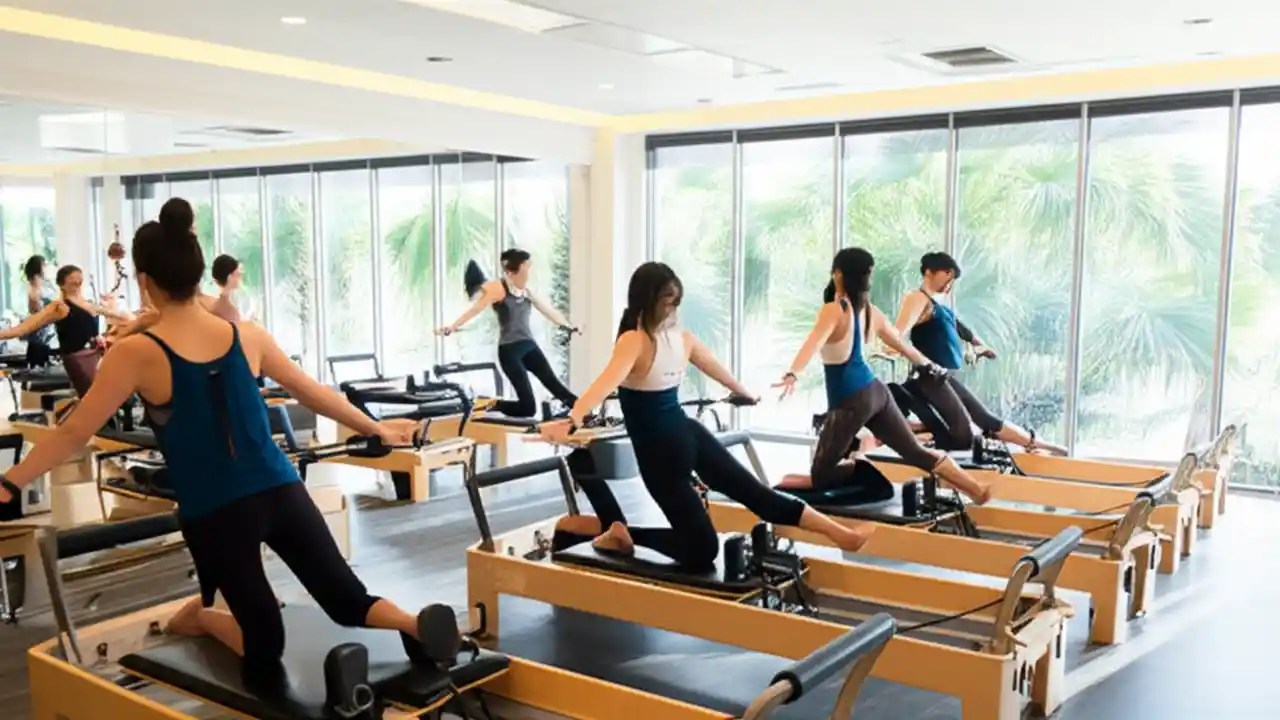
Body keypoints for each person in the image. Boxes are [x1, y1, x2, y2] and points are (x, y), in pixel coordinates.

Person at [0, 210, 460, 683]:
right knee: (309, 619)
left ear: (143, 280)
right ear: (198, 274)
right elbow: (313, 391)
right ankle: (401, 623)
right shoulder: (242, 337)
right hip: (249, 499)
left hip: (246, 501)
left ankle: (409, 624)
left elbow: (74, 433)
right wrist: (376, 427)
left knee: (305, 620)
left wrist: (11, 481)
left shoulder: (137, 353)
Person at [539, 262, 873, 570]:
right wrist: (573, 419)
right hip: (670, 450)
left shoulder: (675, 339)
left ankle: (843, 535)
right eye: (667, 301)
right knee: (702, 547)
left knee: (755, 500)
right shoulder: (635, 341)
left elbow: (713, 367)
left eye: (676, 301)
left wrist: (745, 392)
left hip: (676, 444)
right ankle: (619, 531)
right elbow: (604, 382)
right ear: (646, 300)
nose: (673, 309)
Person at [774, 248, 992, 503]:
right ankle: (976, 490)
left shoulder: (834, 309)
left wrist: (793, 373)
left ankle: (863, 465)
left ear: (838, 274)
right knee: (915, 451)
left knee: (821, 475)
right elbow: (902, 345)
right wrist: (930, 366)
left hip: (850, 399)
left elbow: (813, 342)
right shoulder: (870, 312)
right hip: (877, 392)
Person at [894, 252, 1067, 455]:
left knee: (983, 419)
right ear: (929, 272)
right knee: (969, 429)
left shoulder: (939, 308)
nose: (949, 282)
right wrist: (892, 346)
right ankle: (916, 432)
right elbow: (898, 332)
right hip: (930, 378)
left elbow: (961, 329)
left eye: (953, 279)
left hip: (946, 376)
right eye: (947, 274)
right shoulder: (917, 299)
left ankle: (1033, 444)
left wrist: (979, 345)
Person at [438, 249, 578, 418]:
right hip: (510, 351)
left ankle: (585, 413)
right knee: (528, 409)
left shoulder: (526, 292)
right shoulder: (499, 289)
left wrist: (568, 326)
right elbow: (476, 309)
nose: (529, 272)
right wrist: (452, 327)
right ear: (513, 271)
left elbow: (548, 311)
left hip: (528, 345)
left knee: (557, 387)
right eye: (526, 267)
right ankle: (490, 404)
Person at [0, 264, 135, 396]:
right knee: (95, 396)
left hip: (93, 356)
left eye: (79, 281)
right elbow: (27, 326)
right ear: (62, 285)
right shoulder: (60, 307)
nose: (77, 284)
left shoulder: (88, 304)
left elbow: (119, 315)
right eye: (73, 282)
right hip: (78, 359)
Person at [20, 255, 55, 366]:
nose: (47, 268)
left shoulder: (44, 285)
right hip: (38, 335)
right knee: (37, 369)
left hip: (44, 335)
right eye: (44, 265)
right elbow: (34, 309)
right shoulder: (34, 287)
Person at [200, 253, 248, 323]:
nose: (241, 276)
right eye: (237, 274)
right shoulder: (231, 311)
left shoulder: (214, 306)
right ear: (229, 277)